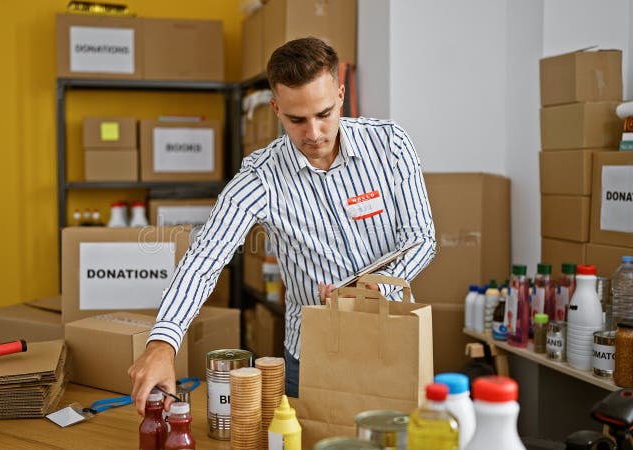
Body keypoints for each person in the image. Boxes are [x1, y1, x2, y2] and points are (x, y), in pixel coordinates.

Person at [128, 37, 436, 415]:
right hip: (312, 357)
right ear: (276, 108)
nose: (314, 133)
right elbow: (204, 258)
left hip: (394, 342)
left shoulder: (390, 144)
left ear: (341, 95)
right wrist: (163, 343)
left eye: (324, 113)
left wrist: (375, 288)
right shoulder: (260, 177)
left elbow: (421, 238)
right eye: (296, 119)